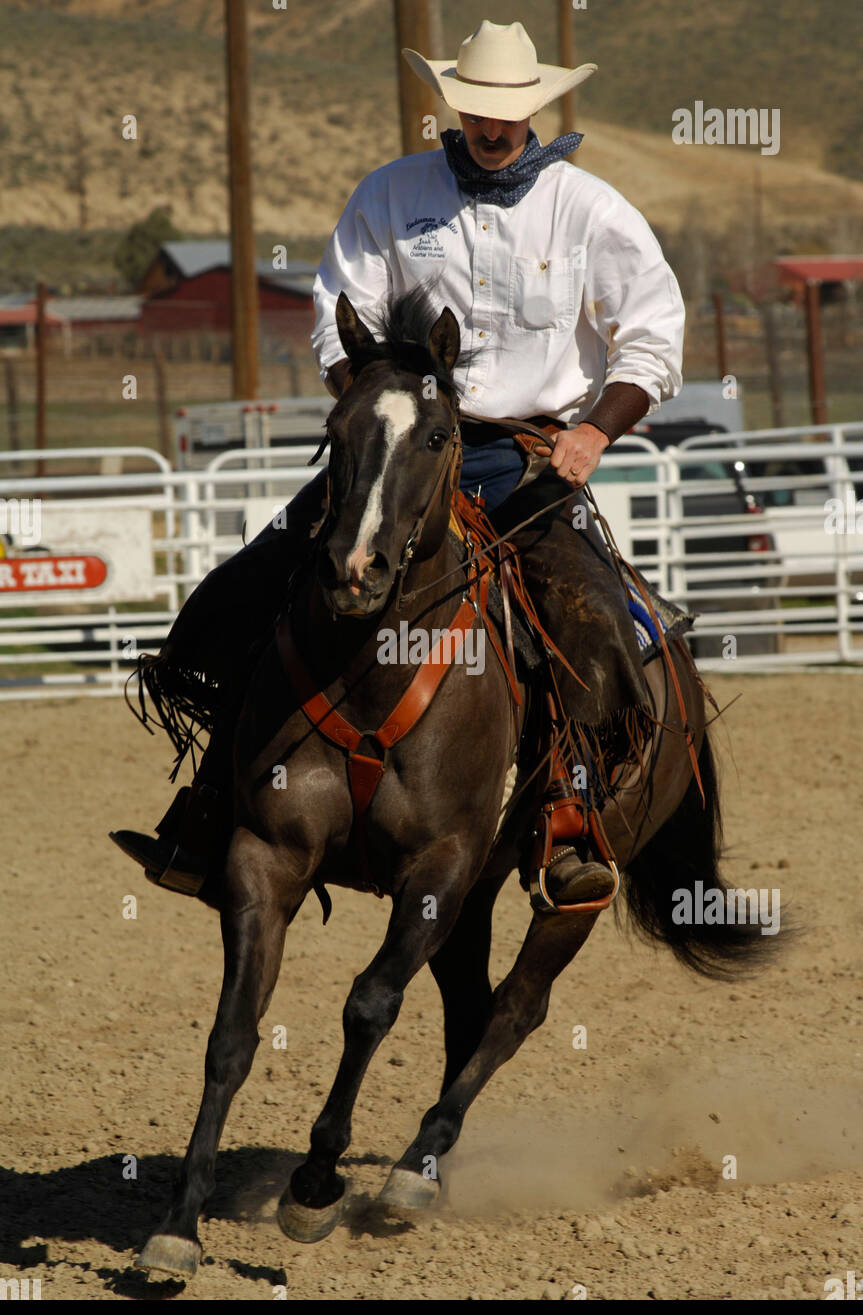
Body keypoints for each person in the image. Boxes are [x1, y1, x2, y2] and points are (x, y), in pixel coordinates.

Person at [111, 19, 685, 910]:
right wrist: (375, 411)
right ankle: (214, 805)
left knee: (595, 627)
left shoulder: (588, 208)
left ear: (533, 110)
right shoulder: (390, 193)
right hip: (399, 444)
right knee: (239, 598)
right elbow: (337, 309)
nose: (491, 127)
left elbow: (651, 336)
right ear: (454, 105)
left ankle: (567, 819)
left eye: (507, 113)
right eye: (476, 110)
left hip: (525, 457)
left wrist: (597, 431)